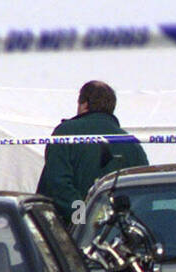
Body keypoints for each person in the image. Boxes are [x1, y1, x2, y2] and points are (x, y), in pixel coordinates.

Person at [36, 80, 147, 225]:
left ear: (84, 104)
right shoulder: (132, 143)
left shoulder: (66, 133)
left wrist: (84, 219)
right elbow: (142, 192)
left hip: (71, 233)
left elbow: (58, 184)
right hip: (118, 234)